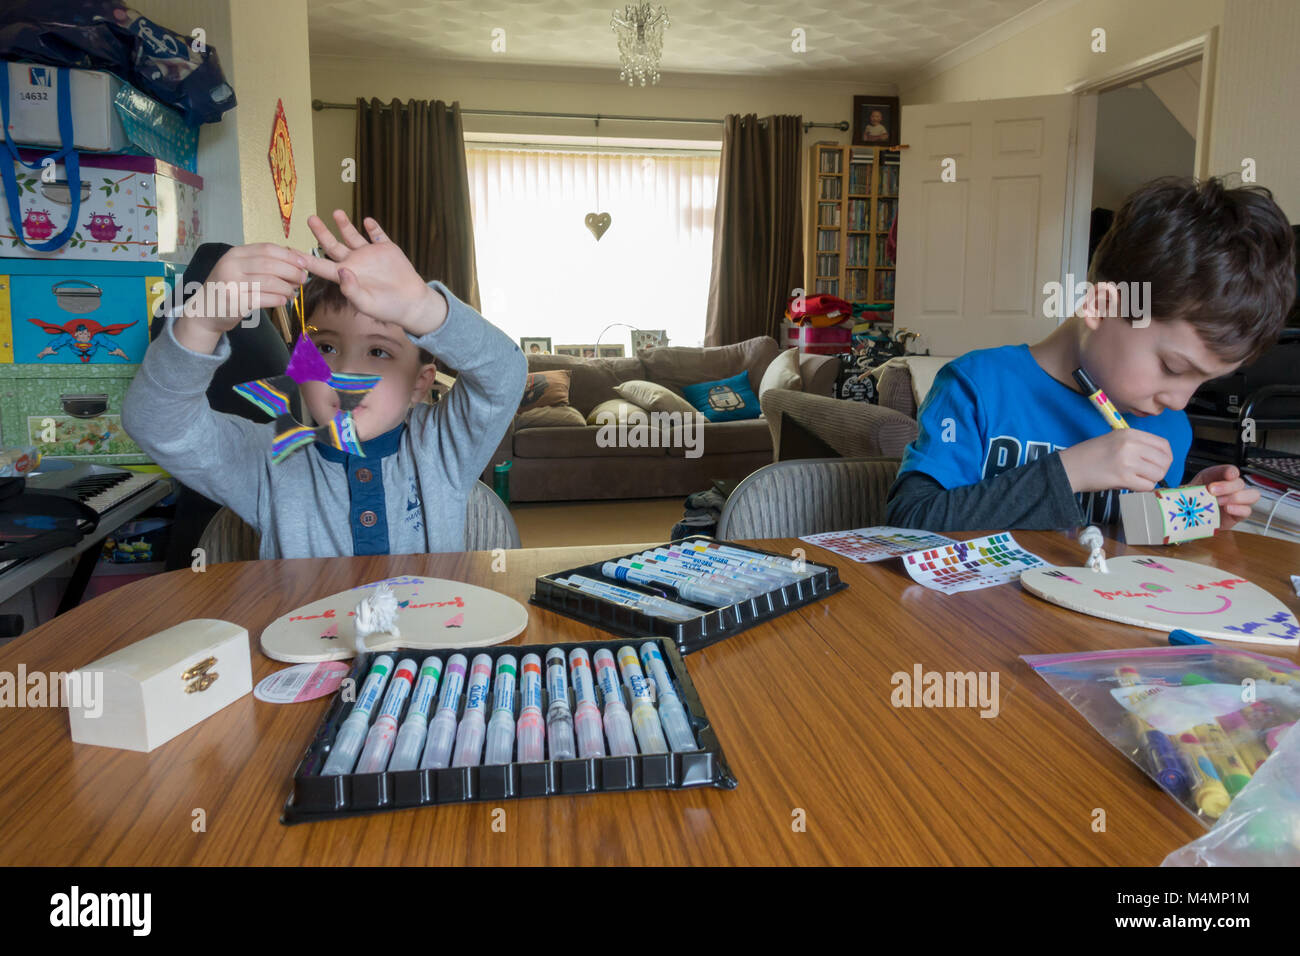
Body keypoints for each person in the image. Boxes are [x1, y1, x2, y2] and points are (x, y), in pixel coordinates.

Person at [886, 176, 1296, 532]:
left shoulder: (1168, 427)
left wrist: (1192, 513)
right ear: (1100, 307)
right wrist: (1069, 473)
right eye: (1172, 367)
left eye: (1203, 382)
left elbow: (1130, 538)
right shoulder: (978, 386)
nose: (1179, 400)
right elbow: (909, 520)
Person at [123, 210, 526, 557]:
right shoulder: (268, 459)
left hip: (428, 647)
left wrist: (424, 308)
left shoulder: (443, 447)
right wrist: (203, 319)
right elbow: (156, 423)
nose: (343, 373)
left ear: (420, 385)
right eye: (326, 347)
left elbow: (504, 375)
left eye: (380, 352)